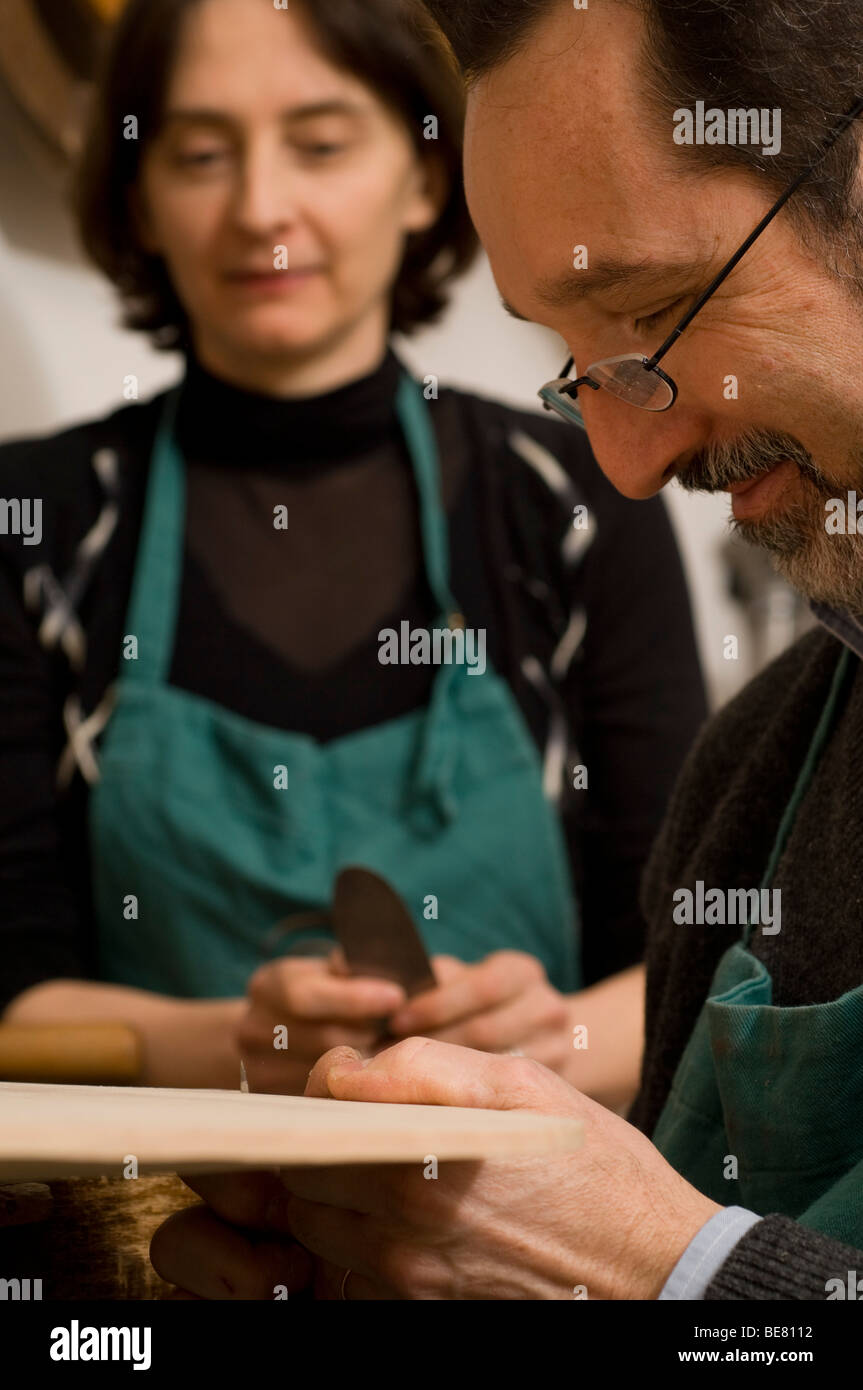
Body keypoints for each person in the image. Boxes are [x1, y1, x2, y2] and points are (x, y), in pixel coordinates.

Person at [151, 0, 863, 1300]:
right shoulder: (757, 765)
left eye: (650, 311)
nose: (627, 465)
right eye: (570, 364)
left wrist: (670, 1270)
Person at [0, 0, 705, 1106]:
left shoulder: (578, 492)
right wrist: (242, 1042)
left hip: (521, 1238)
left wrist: (544, 1041)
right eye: (197, 153)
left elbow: (692, 960)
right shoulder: (33, 521)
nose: (261, 207)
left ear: (428, 179)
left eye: (322, 145)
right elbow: (14, 998)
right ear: (138, 200)